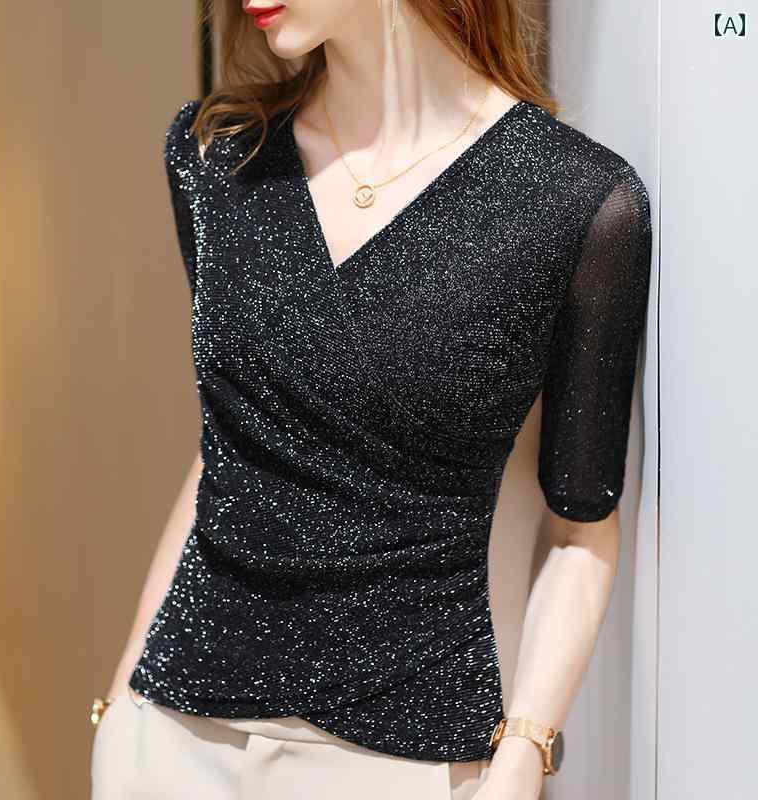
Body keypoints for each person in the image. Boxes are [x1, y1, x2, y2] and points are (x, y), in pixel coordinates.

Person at [90, 1, 653, 798]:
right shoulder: (217, 157)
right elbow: (231, 447)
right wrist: (120, 705)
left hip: (398, 763)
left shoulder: (577, 199)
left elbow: (579, 531)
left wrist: (523, 754)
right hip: (174, 741)